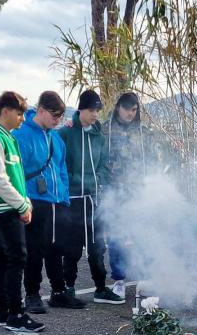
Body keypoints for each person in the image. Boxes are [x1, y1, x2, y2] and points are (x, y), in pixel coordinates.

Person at [0, 91, 43, 332]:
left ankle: (1, 311)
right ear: (6, 111)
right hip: (5, 208)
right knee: (17, 258)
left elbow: (15, 179)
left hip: (10, 206)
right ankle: (16, 314)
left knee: (4, 259)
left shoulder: (7, 138)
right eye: (19, 113)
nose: (22, 118)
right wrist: (22, 205)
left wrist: (24, 200)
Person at [13, 91, 82, 313]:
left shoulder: (56, 138)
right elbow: (16, 171)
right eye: (54, 116)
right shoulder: (21, 134)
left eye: (61, 116)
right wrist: (22, 201)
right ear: (41, 110)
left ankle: (58, 292)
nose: (58, 121)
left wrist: (64, 197)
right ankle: (32, 295)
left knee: (57, 249)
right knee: (34, 250)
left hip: (57, 202)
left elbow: (62, 170)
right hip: (34, 201)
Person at [59, 89, 121, 305]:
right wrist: (70, 185)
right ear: (81, 109)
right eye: (92, 110)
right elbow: (59, 165)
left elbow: (103, 164)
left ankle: (101, 288)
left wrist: (100, 181)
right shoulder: (65, 133)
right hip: (73, 200)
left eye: (97, 111)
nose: (95, 114)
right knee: (72, 248)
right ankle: (69, 287)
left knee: (97, 246)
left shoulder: (98, 135)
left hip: (94, 200)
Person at [103, 91, 154, 300]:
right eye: (127, 109)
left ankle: (144, 279)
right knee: (117, 237)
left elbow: (152, 159)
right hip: (114, 191)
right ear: (118, 107)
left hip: (137, 191)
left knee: (142, 234)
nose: (130, 113)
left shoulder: (143, 133)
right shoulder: (105, 130)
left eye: (134, 110)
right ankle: (119, 281)